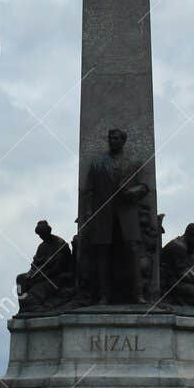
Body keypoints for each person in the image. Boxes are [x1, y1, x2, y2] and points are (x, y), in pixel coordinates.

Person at [78, 127, 149, 303]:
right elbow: (89, 192)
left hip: (127, 214)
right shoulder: (97, 163)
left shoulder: (133, 162)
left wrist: (133, 192)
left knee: (133, 253)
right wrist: (89, 216)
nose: (113, 141)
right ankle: (103, 295)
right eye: (111, 138)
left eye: (116, 138)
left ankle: (138, 295)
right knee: (103, 256)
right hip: (103, 216)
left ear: (123, 141)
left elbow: (145, 186)